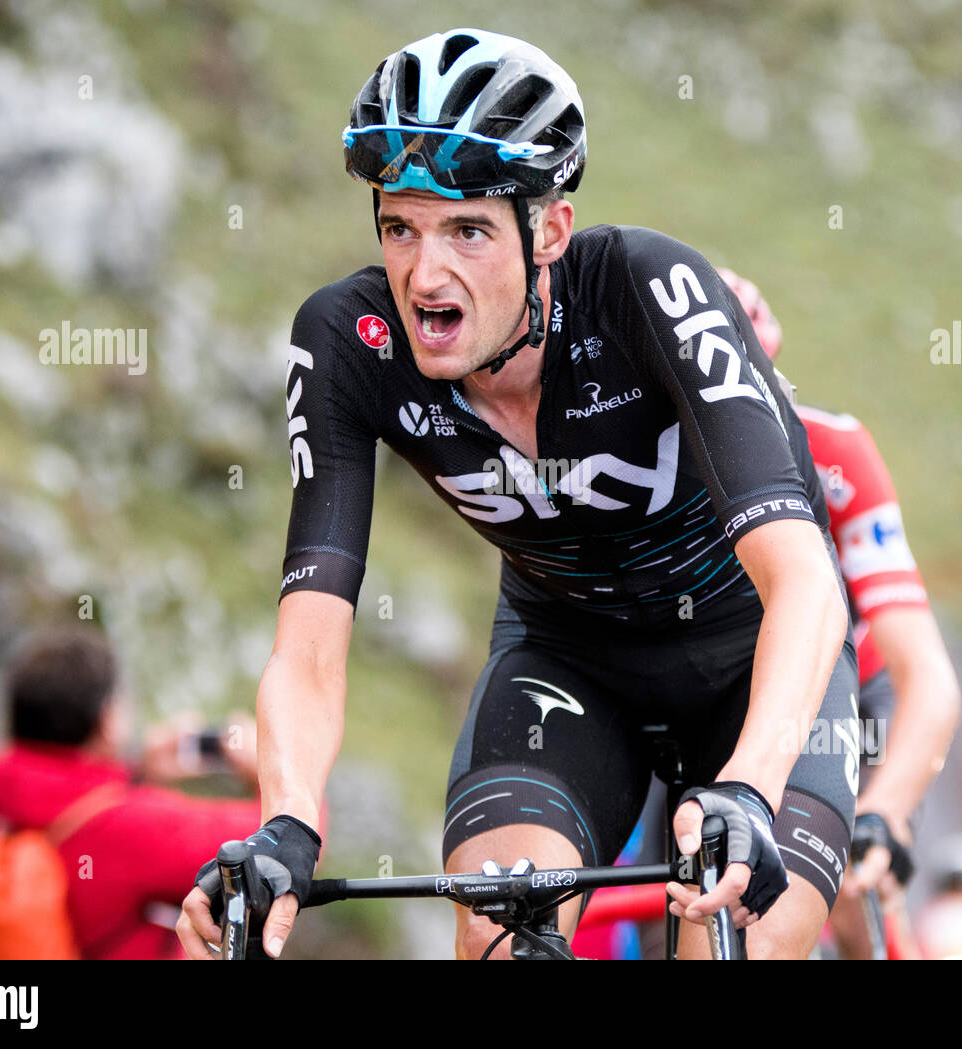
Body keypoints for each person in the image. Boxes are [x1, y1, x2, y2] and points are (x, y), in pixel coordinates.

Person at [179, 27, 857, 961]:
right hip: (568, 662)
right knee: (500, 932)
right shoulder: (348, 342)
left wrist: (747, 787)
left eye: (467, 230)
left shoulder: (647, 289)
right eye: (400, 227)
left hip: (752, 660)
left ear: (548, 231)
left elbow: (807, 582)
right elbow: (307, 644)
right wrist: (286, 825)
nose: (426, 274)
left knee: (734, 937)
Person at [717, 269, 961, 957]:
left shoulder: (836, 452)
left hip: (854, 691)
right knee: (678, 898)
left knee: (856, 891)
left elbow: (928, 681)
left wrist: (882, 814)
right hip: (722, 690)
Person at [0, 625, 265, 959]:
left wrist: (137, 775)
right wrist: (262, 769)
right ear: (107, 720)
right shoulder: (133, 826)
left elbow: (73, 818)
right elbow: (284, 844)